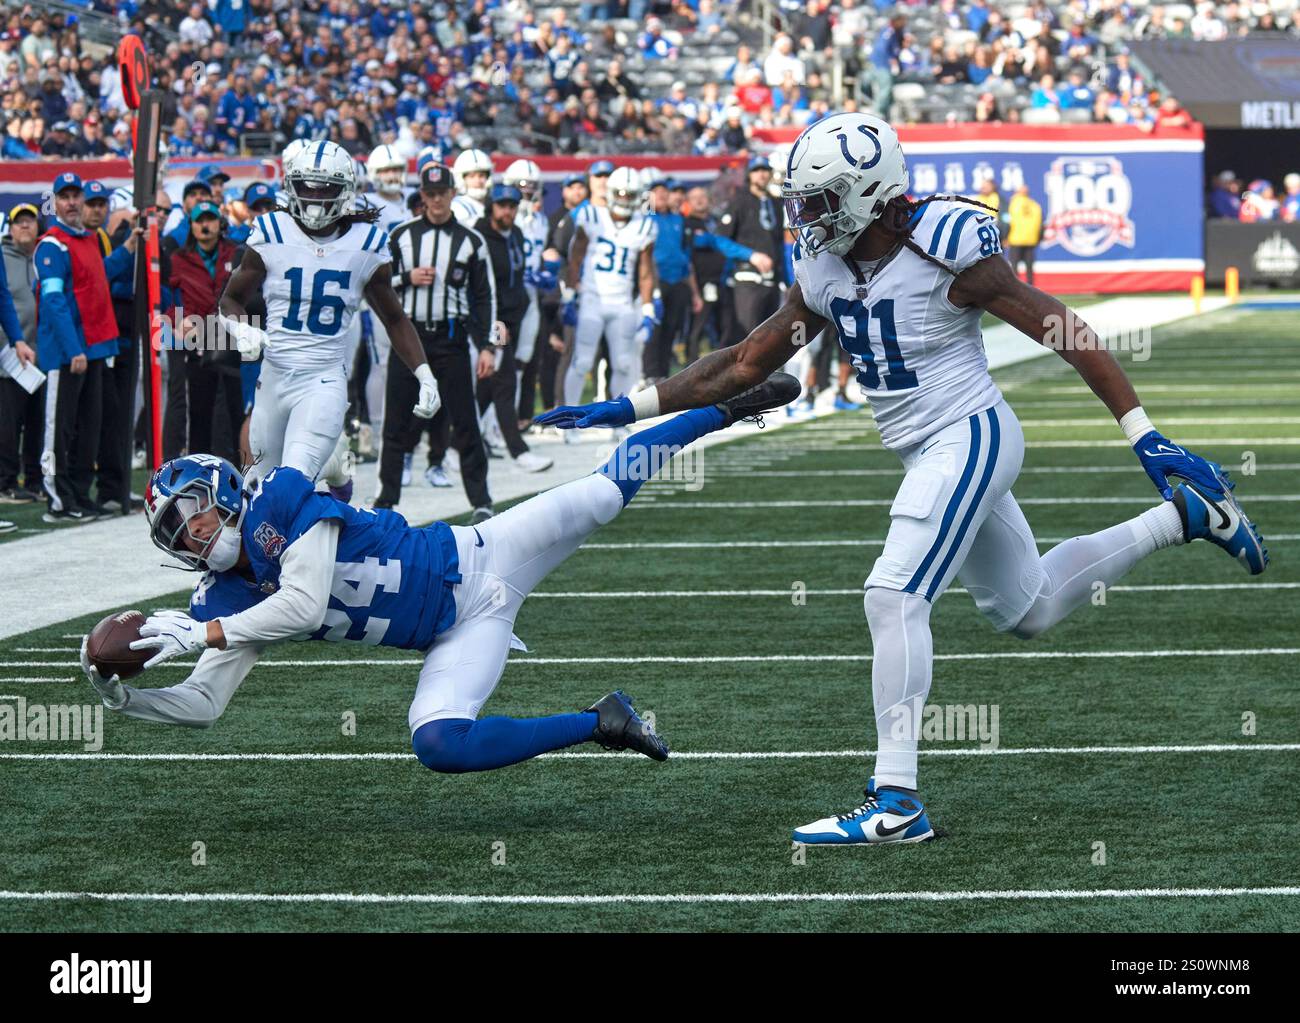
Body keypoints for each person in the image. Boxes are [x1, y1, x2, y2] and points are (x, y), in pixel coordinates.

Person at [539, 111, 1269, 845]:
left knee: (891, 596)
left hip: (968, 433)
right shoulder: (825, 266)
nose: (805, 216)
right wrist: (630, 405)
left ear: (870, 194)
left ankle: (897, 799)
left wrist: (1142, 433)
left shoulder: (947, 244)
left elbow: (1063, 329)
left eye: (820, 200)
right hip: (929, 450)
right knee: (1029, 608)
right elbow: (746, 361)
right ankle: (1185, 516)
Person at [81, 376, 803, 768]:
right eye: (175, 534)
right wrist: (127, 700)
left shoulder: (280, 499)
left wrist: (203, 630)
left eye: (193, 516)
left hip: (483, 554)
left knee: (606, 493)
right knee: (439, 744)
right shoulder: (225, 596)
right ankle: (602, 722)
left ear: (226, 495)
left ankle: (721, 408)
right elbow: (204, 704)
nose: (191, 538)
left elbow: (301, 606)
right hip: (455, 634)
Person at [218, 139, 441, 504]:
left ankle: (317, 535)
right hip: (273, 375)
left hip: (323, 377)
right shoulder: (272, 232)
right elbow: (229, 301)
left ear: (346, 191)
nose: (316, 197)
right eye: (307, 187)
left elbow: (394, 317)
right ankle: (335, 463)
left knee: (290, 486)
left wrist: (424, 373)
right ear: (292, 186)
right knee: (260, 488)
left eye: (326, 189)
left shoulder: (367, 243)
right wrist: (239, 327)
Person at [377, 161, 495, 519]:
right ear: (422, 196)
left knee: (465, 422)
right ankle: (387, 499)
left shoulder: (471, 240)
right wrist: (407, 278)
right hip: (409, 339)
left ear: (452, 193)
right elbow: (379, 284)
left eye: (442, 192)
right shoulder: (400, 235)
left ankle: (482, 501)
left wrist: (488, 345)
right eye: (430, 194)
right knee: (395, 422)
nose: (437, 200)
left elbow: (484, 297)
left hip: (451, 339)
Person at [36, 172, 136, 522]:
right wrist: (73, 348)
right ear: (56, 202)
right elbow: (53, 303)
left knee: (89, 427)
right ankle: (57, 500)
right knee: (59, 429)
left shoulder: (87, 239)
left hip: (92, 350)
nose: (73, 202)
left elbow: (99, 276)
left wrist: (127, 250)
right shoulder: (52, 244)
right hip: (67, 354)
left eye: (76, 195)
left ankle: (79, 493)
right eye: (66, 196)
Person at [561, 166, 659, 413]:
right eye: (622, 193)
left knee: (624, 364)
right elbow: (575, 260)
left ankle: (618, 420)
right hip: (592, 299)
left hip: (623, 302)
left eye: (630, 194)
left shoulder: (644, 226)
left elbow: (646, 272)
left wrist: (647, 309)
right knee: (582, 362)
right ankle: (568, 420)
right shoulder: (591, 217)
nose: (625, 198)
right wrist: (569, 297)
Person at [474, 184, 553, 473]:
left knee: (485, 388)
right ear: (491, 207)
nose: (507, 210)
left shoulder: (516, 233)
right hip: (492, 319)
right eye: (502, 205)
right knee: (505, 382)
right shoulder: (480, 236)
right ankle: (518, 451)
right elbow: (481, 287)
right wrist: (491, 323)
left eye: (511, 205)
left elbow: (515, 277)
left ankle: (454, 445)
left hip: (512, 318)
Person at [167, 201, 245, 466]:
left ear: (219, 223)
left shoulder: (234, 252)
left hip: (230, 337)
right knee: (199, 409)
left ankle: (237, 470)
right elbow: (165, 295)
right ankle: (197, 470)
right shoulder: (179, 258)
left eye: (210, 219)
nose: (204, 225)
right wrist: (177, 320)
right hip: (197, 339)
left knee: (234, 407)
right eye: (199, 220)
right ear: (191, 225)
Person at [720, 157, 785, 346]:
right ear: (749, 174)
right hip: (747, 278)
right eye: (757, 170)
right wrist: (750, 255)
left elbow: (779, 241)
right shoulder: (738, 200)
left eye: (765, 170)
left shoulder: (775, 203)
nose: (762, 174)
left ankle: (765, 376)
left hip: (772, 280)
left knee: (770, 339)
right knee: (747, 337)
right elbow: (721, 239)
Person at [1005, 183, 1043, 285]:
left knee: (1014, 266)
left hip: (1015, 239)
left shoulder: (1013, 203)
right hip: (1031, 240)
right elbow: (1040, 224)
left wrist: (1005, 236)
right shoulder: (1035, 205)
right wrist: (1038, 238)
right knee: (1029, 267)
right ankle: (1031, 288)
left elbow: (1008, 220)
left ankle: (1015, 288)